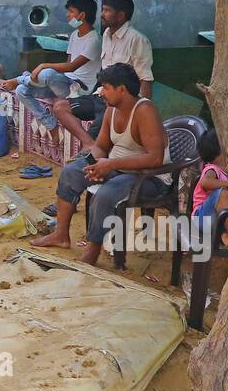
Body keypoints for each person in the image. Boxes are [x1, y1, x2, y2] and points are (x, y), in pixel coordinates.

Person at [32, 62, 168, 266]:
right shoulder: (111, 110)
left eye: (105, 87)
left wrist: (111, 164)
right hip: (119, 168)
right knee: (71, 172)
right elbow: (101, 146)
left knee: (106, 193)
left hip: (149, 177)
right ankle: (61, 235)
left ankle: (93, 250)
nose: (101, 92)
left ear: (121, 89)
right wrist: (91, 163)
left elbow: (155, 159)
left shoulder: (145, 110)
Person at [48, 0, 153, 158]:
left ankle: (93, 160)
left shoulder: (137, 40)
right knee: (61, 107)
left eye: (107, 10)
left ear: (121, 15)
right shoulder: (106, 35)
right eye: (102, 10)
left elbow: (145, 80)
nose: (102, 15)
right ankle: (88, 145)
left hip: (119, 104)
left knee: (99, 134)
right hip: (100, 96)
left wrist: (140, 112)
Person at [0, 0, 100, 149]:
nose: (68, 15)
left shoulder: (94, 40)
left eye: (71, 12)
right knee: (21, 91)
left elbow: (72, 66)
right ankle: (50, 124)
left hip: (78, 89)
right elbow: (67, 65)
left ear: (82, 15)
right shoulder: (75, 35)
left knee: (45, 74)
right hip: (63, 83)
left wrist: (44, 65)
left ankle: (20, 79)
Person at [192, 128, 228, 248]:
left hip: (215, 221)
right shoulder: (212, 169)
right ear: (221, 149)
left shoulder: (226, 171)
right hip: (202, 218)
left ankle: (222, 235)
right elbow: (205, 183)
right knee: (222, 193)